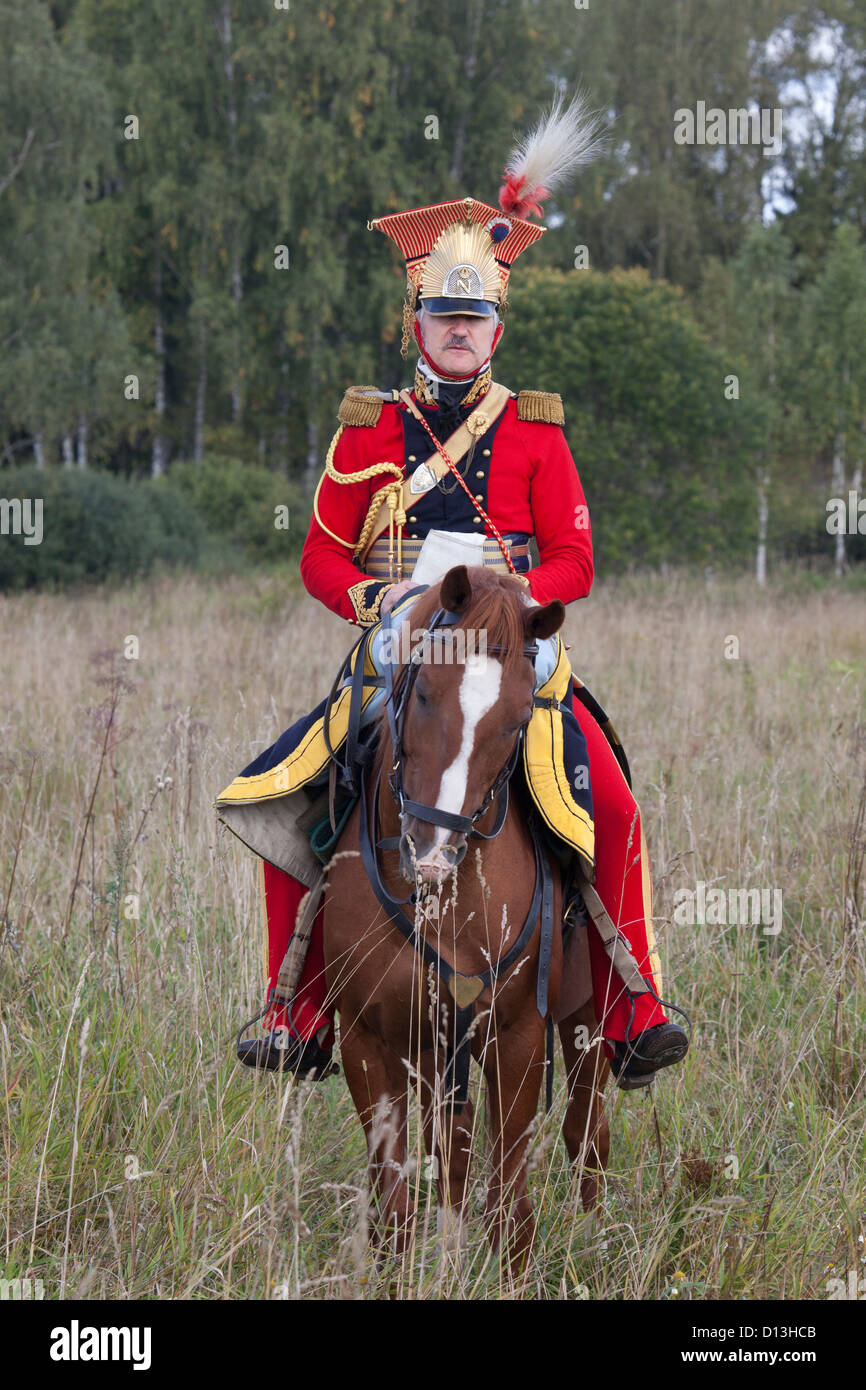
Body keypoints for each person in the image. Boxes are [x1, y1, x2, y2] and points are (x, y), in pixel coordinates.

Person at [217, 96, 688, 1090]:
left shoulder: (536, 428)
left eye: (474, 316)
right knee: (279, 794)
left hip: (513, 648)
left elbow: (575, 559)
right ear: (415, 323)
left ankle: (626, 1008)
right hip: (402, 649)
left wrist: (518, 598)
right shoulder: (366, 425)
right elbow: (318, 554)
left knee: (607, 797)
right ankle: (294, 1007)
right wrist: (369, 603)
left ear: (497, 326)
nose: (459, 331)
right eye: (443, 315)